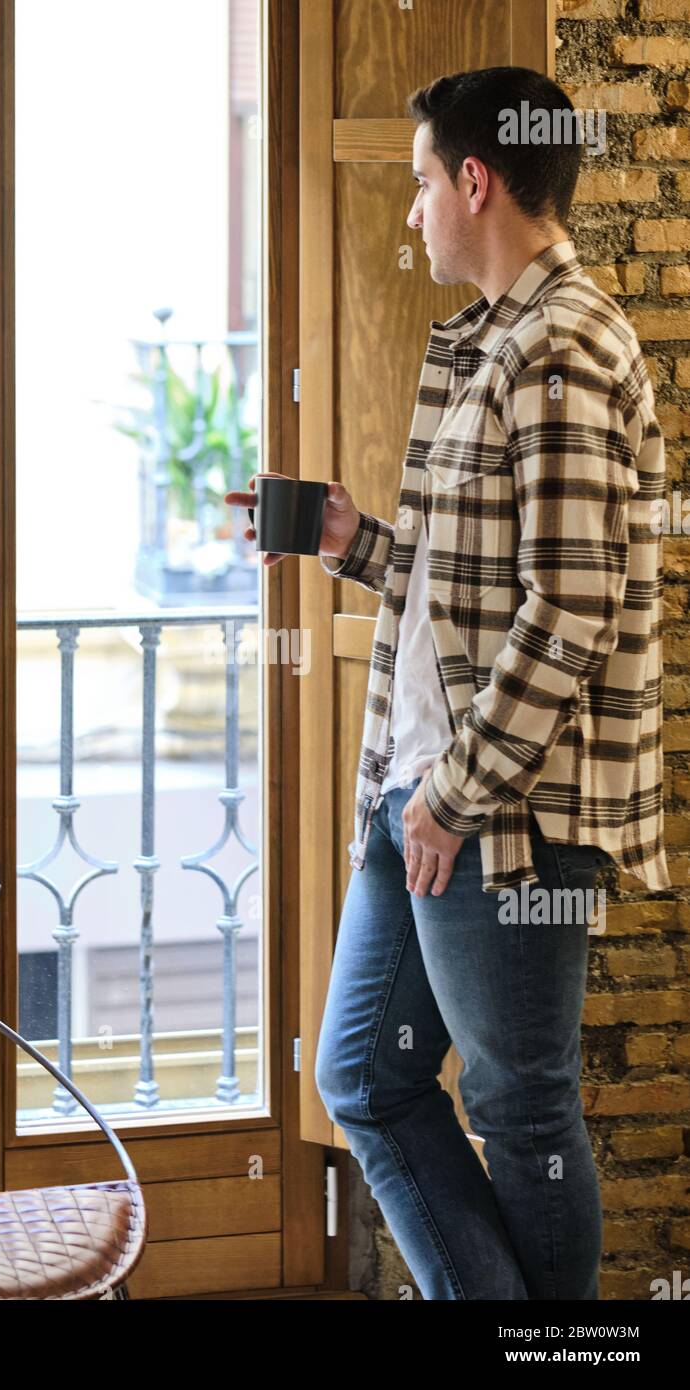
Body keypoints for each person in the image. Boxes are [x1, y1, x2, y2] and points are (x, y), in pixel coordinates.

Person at [225, 66, 669, 1300]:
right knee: (364, 1075)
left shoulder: (564, 348)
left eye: (421, 182)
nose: (410, 210)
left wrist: (451, 796)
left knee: (519, 1111)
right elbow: (468, 590)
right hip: (421, 788)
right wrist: (350, 542)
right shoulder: (488, 342)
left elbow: (568, 607)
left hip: (493, 813)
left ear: (475, 181)